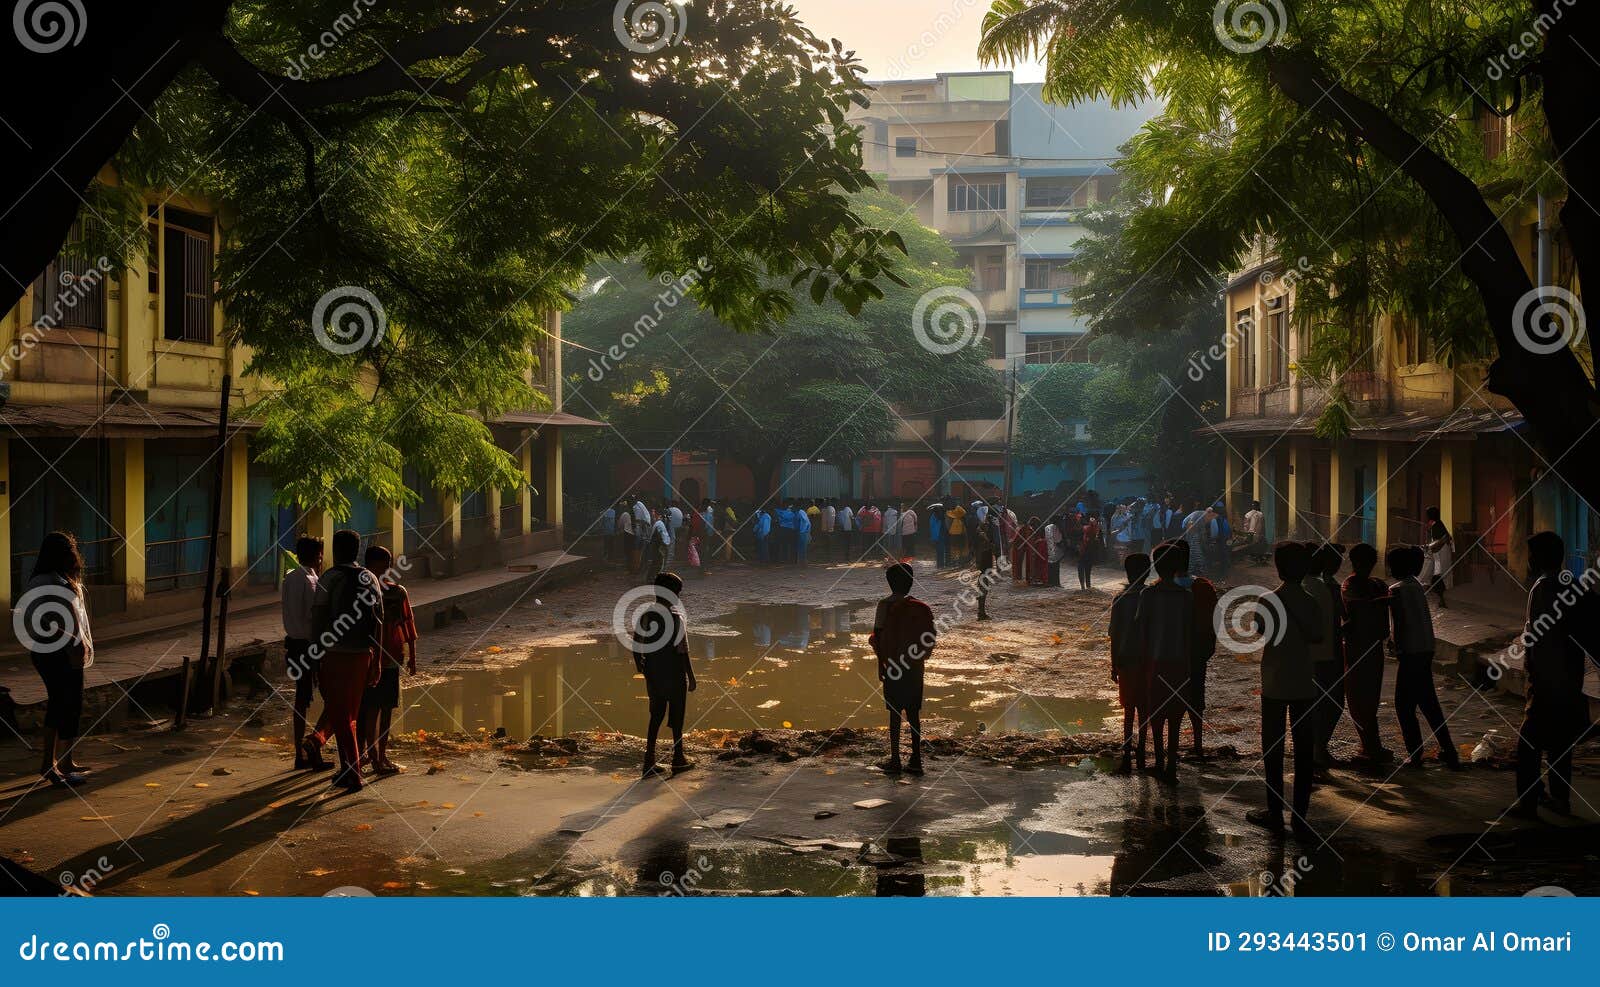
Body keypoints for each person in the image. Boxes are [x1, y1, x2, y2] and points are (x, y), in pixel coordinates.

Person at [1511, 532, 1590, 818]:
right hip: (1570, 675)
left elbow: (1539, 637)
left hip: (1547, 677)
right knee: (1560, 743)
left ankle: (1528, 804)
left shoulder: (1543, 588)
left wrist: (1534, 673)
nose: (1529, 560)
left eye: (1532, 555)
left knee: (1528, 744)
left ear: (1540, 558)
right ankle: (1560, 799)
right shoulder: (1573, 585)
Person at [1248, 541, 1324, 835]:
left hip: (1275, 681)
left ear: (1278, 568)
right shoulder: (1311, 601)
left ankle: (1274, 811)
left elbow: (1261, 630)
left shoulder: (1267, 600)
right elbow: (1317, 636)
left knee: (1273, 748)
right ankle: (1300, 816)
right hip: (1304, 680)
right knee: (1304, 750)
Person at [305, 529, 384, 791]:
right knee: (347, 713)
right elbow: (379, 621)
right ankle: (348, 768)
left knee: (341, 715)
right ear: (357, 550)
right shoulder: (370, 578)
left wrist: (314, 655)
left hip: (334, 653)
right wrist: (377, 660)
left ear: (335, 551)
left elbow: (317, 620)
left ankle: (354, 773)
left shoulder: (330, 577)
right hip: (363, 654)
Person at [23, 532, 95, 787]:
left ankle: (65, 761)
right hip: (57, 653)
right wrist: (75, 645)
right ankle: (50, 764)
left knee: (68, 704)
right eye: (70, 550)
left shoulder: (49, 580)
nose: (75, 555)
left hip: (54, 651)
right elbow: (53, 622)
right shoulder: (54, 583)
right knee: (62, 705)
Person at [1388, 545, 1461, 769]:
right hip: (1425, 649)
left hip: (1410, 652)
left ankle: (1415, 753)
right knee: (1428, 703)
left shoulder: (1397, 590)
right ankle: (1448, 750)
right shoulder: (1416, 586)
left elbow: (1400, 624)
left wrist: (1396, 646)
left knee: (1404, 705)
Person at [870, 563, 936, 776]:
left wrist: (880, 666)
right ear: (911, 583)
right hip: (915, 667)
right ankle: (916, 760)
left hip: (893, 666)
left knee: (895, 713)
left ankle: (896, 759)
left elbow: (878, 639)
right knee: (914, 713)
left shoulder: (884, 605)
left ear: (890, 583)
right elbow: (929, 638)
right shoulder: (921, 607)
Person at [358, 546, 417, 776]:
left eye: (389, 564)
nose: (387, 568)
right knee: (370, 709)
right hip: (370, 658)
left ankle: (380, 755)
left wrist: (412, 657)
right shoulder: (363, 592)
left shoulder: (397, 592)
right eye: (384, 564)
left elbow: (408, 624)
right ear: (370, 565)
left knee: (385, 709)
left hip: (392, 657)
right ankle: (370, 755)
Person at [1136, 542, 1193, 779]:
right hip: (1180, 661)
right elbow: (1190, 632)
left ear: (1155, 566)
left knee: (1157, 712)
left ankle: (1159, 760)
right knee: (1176, 714)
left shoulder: (1148, 594)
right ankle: (1171, 764)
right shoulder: (1186, 596)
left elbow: (1142, 630)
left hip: (1155, 661)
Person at [634, 572, 697, 777]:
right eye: (678, 592)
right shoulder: (676, 618)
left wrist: (641, 666)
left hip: (654, 672)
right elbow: (683, 650)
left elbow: (636, 645)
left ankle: (649, 760)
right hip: (674, 671)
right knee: (677, 716)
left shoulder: (646, 615)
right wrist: (691, 676)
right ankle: (678, 758)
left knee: (656, 715)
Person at [1340, 543, 1395, 763]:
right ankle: (1371, 744)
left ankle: (1370, 745)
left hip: (1359, 646)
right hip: (1367, 646)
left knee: (1361, 697)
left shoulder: (1354, 584)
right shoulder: (1375, 585)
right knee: (1366, 697)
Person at [282, 535, 330, 771]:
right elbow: (314, 616)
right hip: (308, 645)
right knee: (328, 696)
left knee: (301, 699)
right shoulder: (310, 580)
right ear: (316, 556)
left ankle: (300, 752)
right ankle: (313, 744)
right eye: (320, 556)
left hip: (293, 643)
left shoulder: (290, 578)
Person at [1174, 540, 1218, 760]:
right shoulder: (1203, 587)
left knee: (1172, 699)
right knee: (1196, 699)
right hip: (1198, 651)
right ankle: (1197, 744)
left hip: (1171, 653)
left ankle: (1171, 746)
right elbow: (1213, 622)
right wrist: (1208, 648)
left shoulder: (1160, 588)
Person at [1110, 552, 1151, 767]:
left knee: (1128, 708)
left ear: (1127, 573)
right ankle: (1142, 747)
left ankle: (1127, 748)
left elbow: (1114, 635)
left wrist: (1113, 664)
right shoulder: (1151, 597)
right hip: (1147, 660)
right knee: (1144, 707)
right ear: (1148, 572)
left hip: (1125, 659)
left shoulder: (1120, 599)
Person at [1308, 543, 1347, 770]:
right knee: (1332, 702)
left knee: (1320, 703)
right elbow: (1342, 618)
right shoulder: (1329, 588)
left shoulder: (1316, 586)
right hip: (1328, 653)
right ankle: (1319, 749)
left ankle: (1317, 749)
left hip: (1319, 653)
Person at [1423, 506, 1453, 609]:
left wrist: (1428, 547)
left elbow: (1439, 542)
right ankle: (1441, 599)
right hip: (1440, 553)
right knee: (1438, 575)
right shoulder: (1438, 524)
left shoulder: (1437, 526)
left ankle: (1442, 599)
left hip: (1440, 553)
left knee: (1438, 575)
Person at [1078, 510, 1101, 589]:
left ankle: (1084, 586)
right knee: (1087, 568)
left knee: (1082, 567)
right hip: (1089, 550)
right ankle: (1087, 586)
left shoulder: (1087, 527)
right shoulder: (1095, 527)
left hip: (1085, 550)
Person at [1044, 514, 1064, 587]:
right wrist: (1051, 551)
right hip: (1051, 549)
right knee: (1051, 567)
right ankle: (1051, 582)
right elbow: (1051, 540)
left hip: (1055, 550)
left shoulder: (1057, 528)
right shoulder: (1050, 528)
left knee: (1055, 567)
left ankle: (1055, 582)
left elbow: (1058, 539)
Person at [946, 500, 967, 567]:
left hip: (953, 533)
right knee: (961, 547)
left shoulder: (949, 513)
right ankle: (961, 560)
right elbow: (964, 512)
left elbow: (948, 524)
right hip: (961, 532)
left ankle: (955, 561)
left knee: (954, 547)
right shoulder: (961, 514)